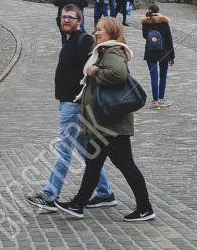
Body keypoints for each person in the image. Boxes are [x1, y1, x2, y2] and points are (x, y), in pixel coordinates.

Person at [54, 17, 156, 222]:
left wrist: (94, 72)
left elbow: (118, 74)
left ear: (111, 32)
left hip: (112, 125)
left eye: (100, 30)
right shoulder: (104, 51)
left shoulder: (113, 51)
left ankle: (145, 208)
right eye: (96, 30)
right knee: (93, 165)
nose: (96, 33)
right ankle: (77, 204)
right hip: (102, 123)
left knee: (126, 165)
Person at [25, 3, 116, 211]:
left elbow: (100, 57)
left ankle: (49, 195)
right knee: (86, 152)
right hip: (67, 104)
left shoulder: (83, 39)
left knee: (63, 151)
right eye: (63, 17)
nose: (66, 20)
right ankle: (105, 192)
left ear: (79, 21)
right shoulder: (69, 39)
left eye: (71, 18)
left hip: (73, 105)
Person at [140, 2, 174, 108]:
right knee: (163, 76)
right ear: (158, 11)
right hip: (164, 52)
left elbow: (145, 36)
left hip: (150, 52)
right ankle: (161, 99)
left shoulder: (145, 23)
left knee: (153, 77)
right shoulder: (164, 22)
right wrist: (172, 56)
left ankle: (155, 102)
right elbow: (169, 40)